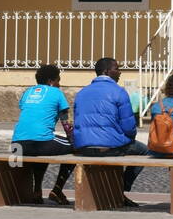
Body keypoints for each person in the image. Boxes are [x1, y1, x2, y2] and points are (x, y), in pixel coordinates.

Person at [72, 57, 148, 205]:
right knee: (144, 151)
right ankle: (121, 189)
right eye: (117, 68)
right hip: (109, 146)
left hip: (83, 146)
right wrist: (127, 136)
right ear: (107, 71)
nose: (120, 72)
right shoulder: (119, 92)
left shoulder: (82, 92)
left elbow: (77, 121)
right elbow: (129, 127)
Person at [11, 65, 74, 206]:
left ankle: (36, 191)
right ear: (51, 81)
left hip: (16, 144)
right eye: (58, 80)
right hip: (41, 142)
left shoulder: (27, 92)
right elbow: (66, 126)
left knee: (42, 148)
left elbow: (27, 111)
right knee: (75, 148)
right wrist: (74, 140)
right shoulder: (56, 93)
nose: (60, 83)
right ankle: (57, 190)